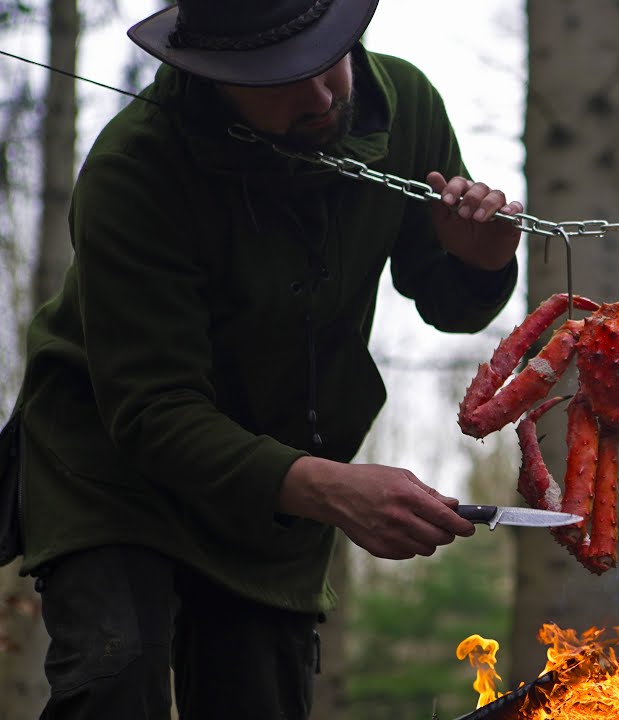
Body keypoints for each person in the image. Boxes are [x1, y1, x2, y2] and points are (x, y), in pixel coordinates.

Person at [0, 0, 525, 717]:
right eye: (279, 77)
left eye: (324, 60)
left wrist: (483, 261)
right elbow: (155, 412)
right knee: (119, 670)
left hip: (279, 474)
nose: (317, 96)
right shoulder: (135, 167)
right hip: (114, 470)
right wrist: (334, 489)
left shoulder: (405, 109)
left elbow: (449, 303)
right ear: (214, 74)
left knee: (259, 697)